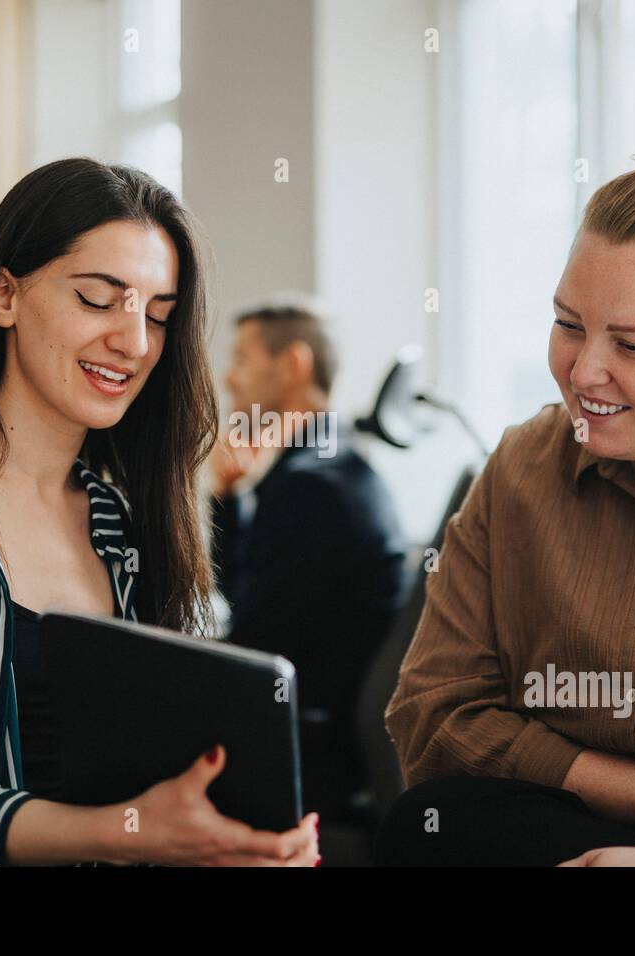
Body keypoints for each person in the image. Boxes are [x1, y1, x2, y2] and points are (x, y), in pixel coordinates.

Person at [0, 158, 320, 866]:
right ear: (6, 295)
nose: (134, 342)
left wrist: (234, 836)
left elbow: (157, 774)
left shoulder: (123, 520)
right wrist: (134, 831)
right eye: (100, 300)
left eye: (158, 315)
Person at [378, 76, 635, 866]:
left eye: (633, 346)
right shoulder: (525, 469)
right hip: (577, 835)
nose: (583, 371)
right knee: (430, 825)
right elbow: (432, 717)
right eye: (568, 324)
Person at [209, 297, 406, 824]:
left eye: (243, 358)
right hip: (322, 735)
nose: (229, 379)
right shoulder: (337, 467)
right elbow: (250, 599)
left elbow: (253, 644)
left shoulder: (309, 490)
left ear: (293, 364)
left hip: (307, 755)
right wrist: (228, 498)